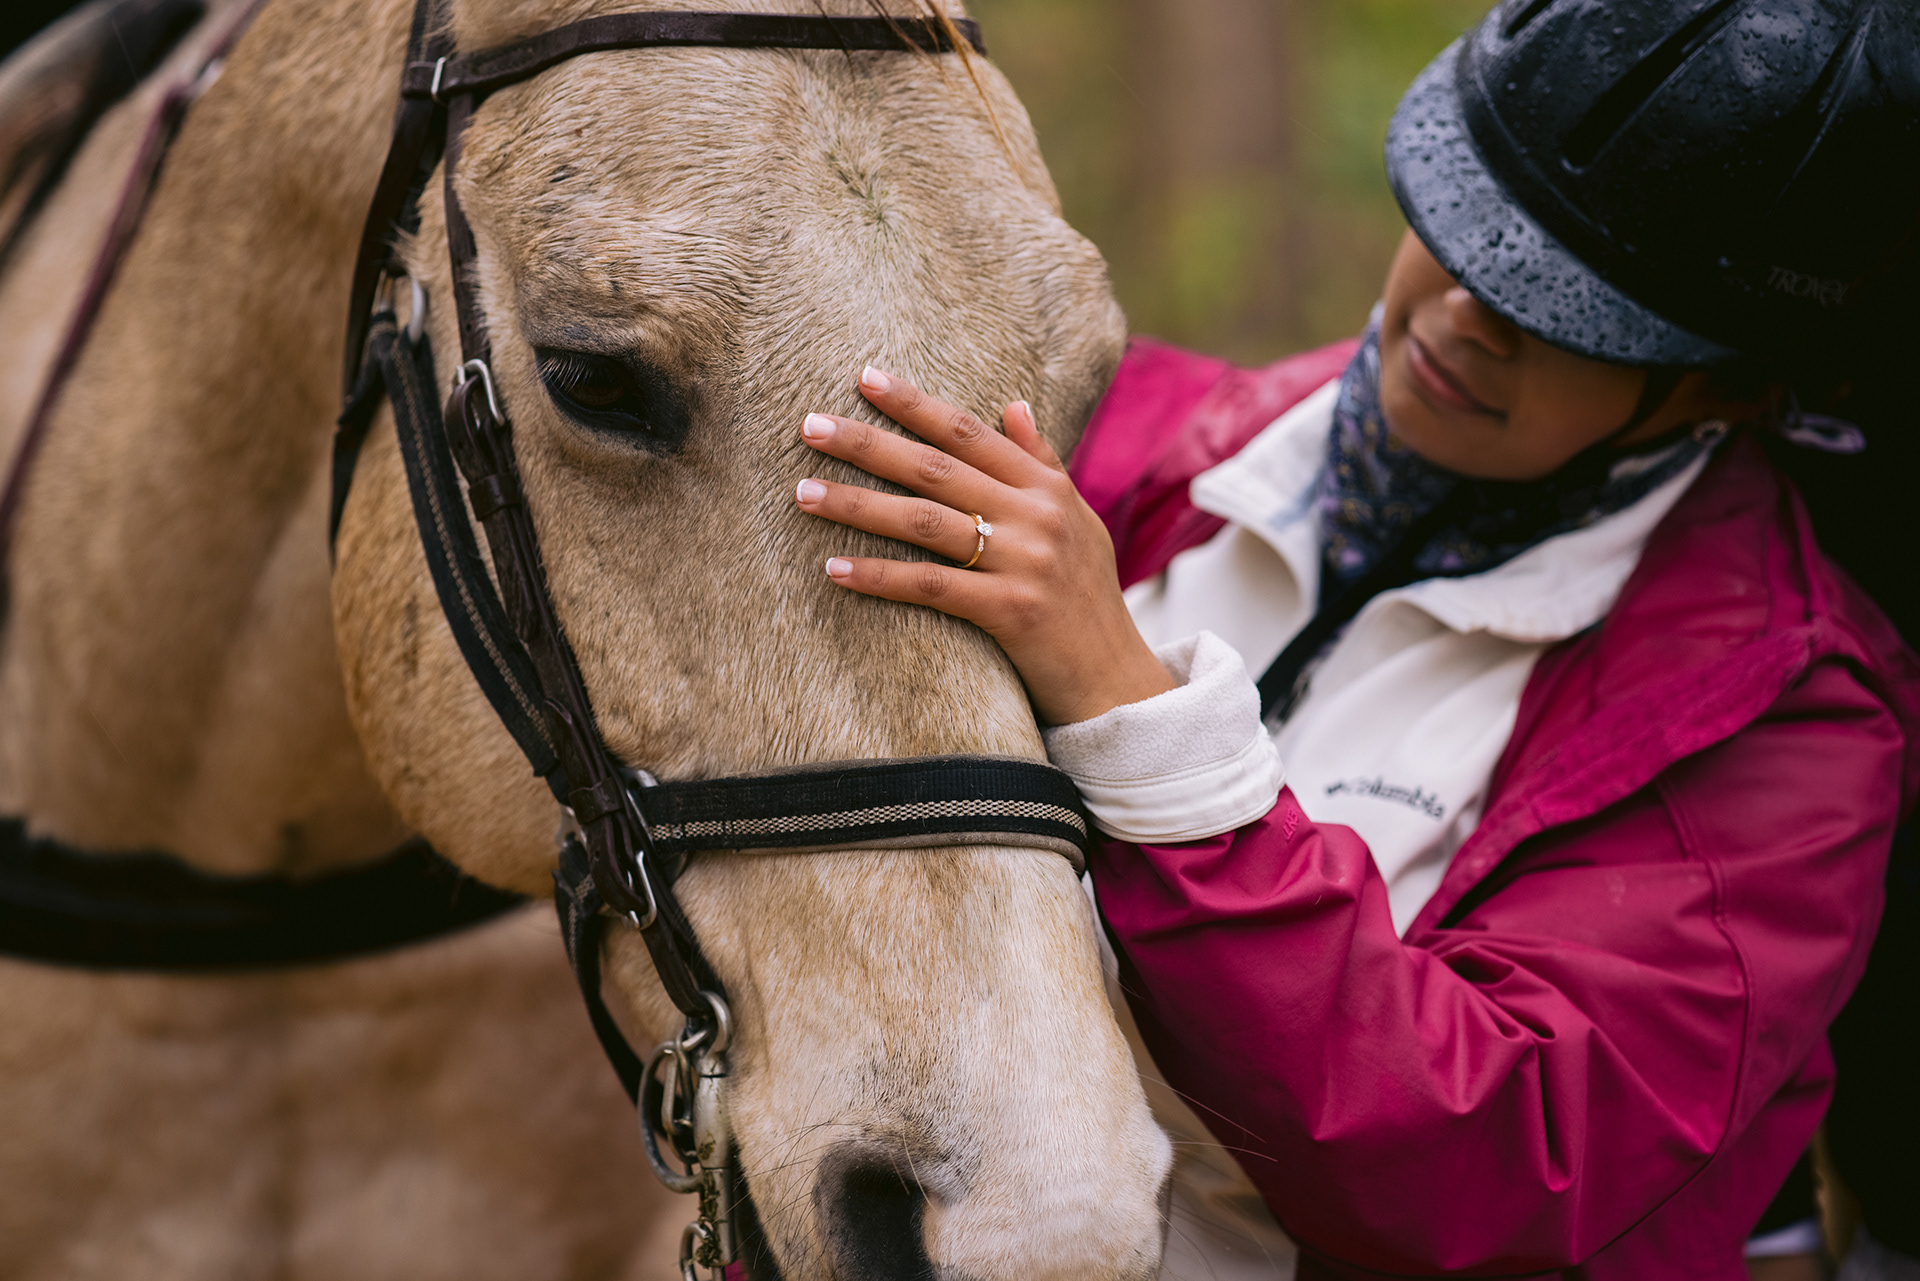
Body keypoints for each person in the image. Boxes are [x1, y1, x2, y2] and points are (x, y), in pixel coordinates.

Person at [791, 1, 1920, 1276]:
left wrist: (1137, 720)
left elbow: (1493, 1163)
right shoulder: (1121, 437)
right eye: (1459, 224)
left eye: (1566, 313)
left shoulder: (1790, 729)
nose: (1469, 313)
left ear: (1730, 383)